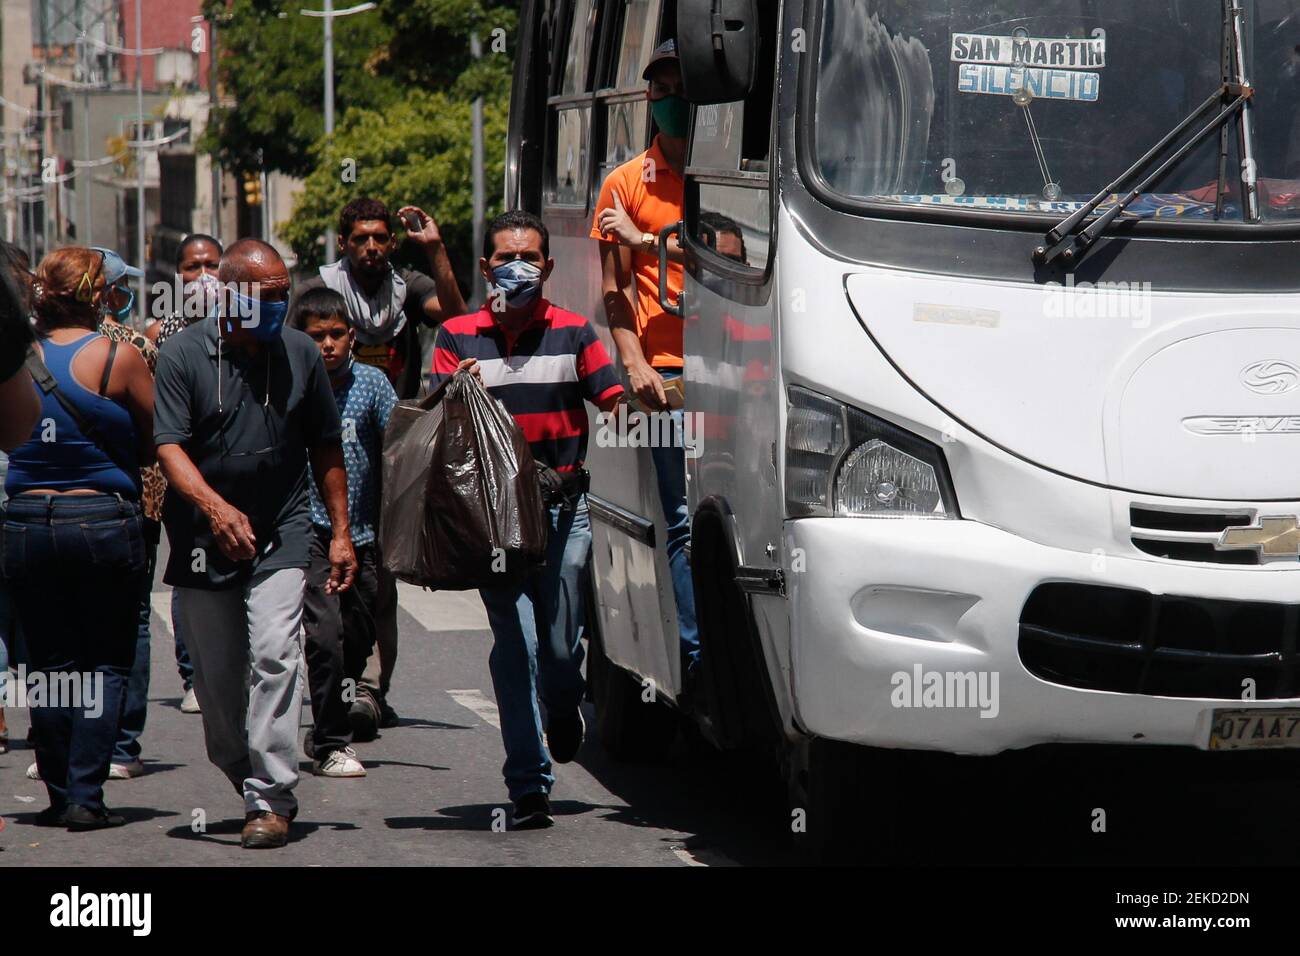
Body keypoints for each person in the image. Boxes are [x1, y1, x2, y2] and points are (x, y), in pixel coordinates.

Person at [153, 239, 356, 850]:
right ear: (227, 294)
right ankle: (244, 771)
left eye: (281, 296)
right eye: (262, 297)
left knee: (276, 652)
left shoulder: (299, 353)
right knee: (218, 689)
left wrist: (341, 532)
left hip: (283, 529)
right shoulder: (184, 355)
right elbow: (169, 447)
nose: (275, 307)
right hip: (201, 540)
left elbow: (325, 446)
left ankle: (271, 796)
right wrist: (214, 509)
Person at [432, 211, 624, 829]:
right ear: (486, 267)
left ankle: (566, 706)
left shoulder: (576, 333)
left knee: (562, 648)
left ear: (548, 267)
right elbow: (433, 422)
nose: (519, 266)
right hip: (494, 522)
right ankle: (529, 785)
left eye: (531, 256)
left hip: (565, 512)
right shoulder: (456, 337)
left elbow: (616, 402)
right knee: (514, 648)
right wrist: (454, 392)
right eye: (506, 256)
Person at [292, 198, 466, 736]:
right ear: (343, 242)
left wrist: (435, 250)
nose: (371, 247)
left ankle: (369, 689)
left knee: (378, 590)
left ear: (392, 243)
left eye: (381, 238)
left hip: (387, 453)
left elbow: (456, 318)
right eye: (361, 238)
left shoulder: (406, 286)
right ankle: (335, 685)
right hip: (318, 471)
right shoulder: (315, 294)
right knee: (319, 596)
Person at [1, 246, 155, 830]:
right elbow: (151, 441)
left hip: (24, 523)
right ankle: (88, 798)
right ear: (98, 296)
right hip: (101, 522)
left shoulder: (16, 357)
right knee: (106, 660)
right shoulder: (119, 356)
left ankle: (59, 792)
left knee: (47, 662)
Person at [590, 39, 699, 680]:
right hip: (667, 377)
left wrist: (651, 240)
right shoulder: (626, 183)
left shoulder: (726, 174)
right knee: (679, 519)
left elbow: (730, 253)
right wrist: (633, 363)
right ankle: (694, 656)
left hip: (739, 371)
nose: (670, 99)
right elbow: (615, 287)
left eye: (681, 88)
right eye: (659, 90)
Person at [291, 287, 397, 777]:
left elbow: (400, 442)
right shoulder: (290, 384)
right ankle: (330, 736)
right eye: (316, 337)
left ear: (352, 336)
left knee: (357, 633)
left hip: (364, 536)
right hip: (309, 531)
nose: (327, 345)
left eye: (336, 334)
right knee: (325, 635)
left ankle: (339, 704)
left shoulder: (373, 385)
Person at [92, 247, 163, 780]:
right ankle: (121, 746)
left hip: (63, 505)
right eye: (120, 286)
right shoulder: (135, 347)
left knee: (75, 623)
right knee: (131, 616)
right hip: (130, 502)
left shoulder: (40, 351)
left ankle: (79, 740)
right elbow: (157, 431)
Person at [153, 234, 223, 715]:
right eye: (194, 267)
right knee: (188, 568)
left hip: (232, 464)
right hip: (181, 467)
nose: (204, 276)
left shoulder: (240, 326)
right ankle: (193, 674)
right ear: (178, 275)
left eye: (213, 265)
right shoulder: (161, 333)